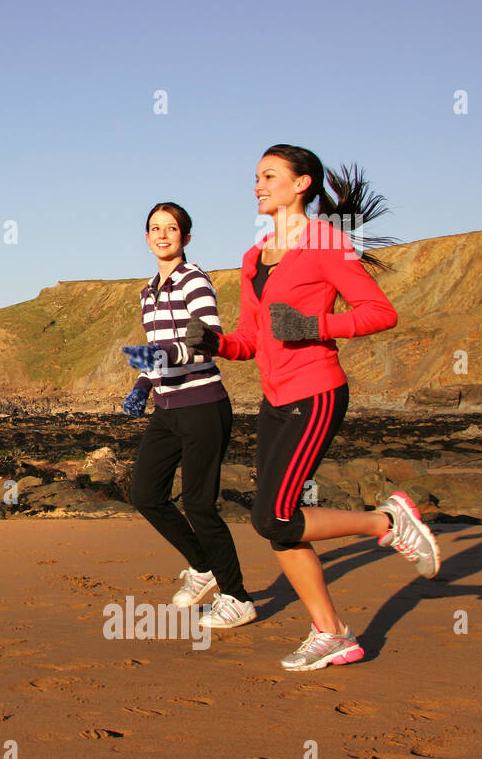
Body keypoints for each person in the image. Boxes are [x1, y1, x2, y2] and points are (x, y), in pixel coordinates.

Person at [186, 144, 439, 671]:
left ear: (301, 184)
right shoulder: (254, 257)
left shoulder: (325, 243)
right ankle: (332, 634)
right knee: (278, 523)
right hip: (275, 400)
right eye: (256, 176)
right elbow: (251, 340)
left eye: (268, 176)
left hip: (316, 392)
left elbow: (379, 312)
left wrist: (314, 326)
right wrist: (215, 343)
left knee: (273, 516)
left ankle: (386, 521)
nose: (257, 185)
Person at [121, 202, 254, 628]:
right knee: (146, 495)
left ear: (186, 237)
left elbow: (206, 340)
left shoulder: (193, 280)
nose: (163, 235)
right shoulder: (147, 292)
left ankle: (238, 597)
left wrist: (163, 353)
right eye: (155, 228)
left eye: (171, 228)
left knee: (199, 505)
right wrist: (143, 386)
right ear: (146, 238)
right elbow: (155, 352)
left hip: (202, 406)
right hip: (166, 409)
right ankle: (203, 565)